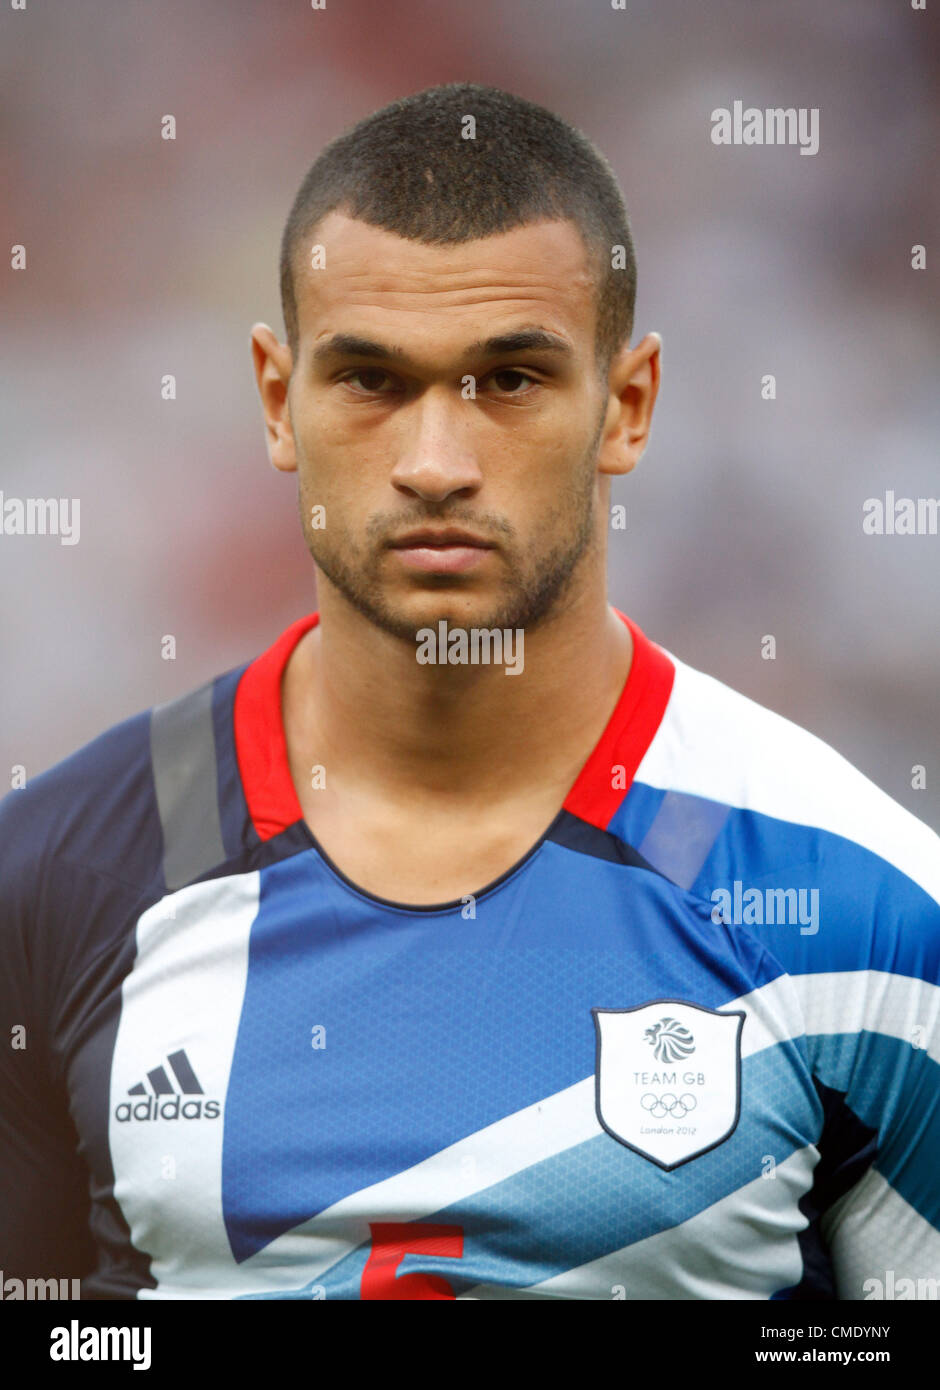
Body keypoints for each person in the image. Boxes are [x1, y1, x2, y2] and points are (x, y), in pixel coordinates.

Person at [1, 83, 937, 1302]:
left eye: (508, 380)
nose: (435, 462)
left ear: (628, 404)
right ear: (279, 401)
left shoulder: (862, 904)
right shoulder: (56, 880)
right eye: (371, 381)